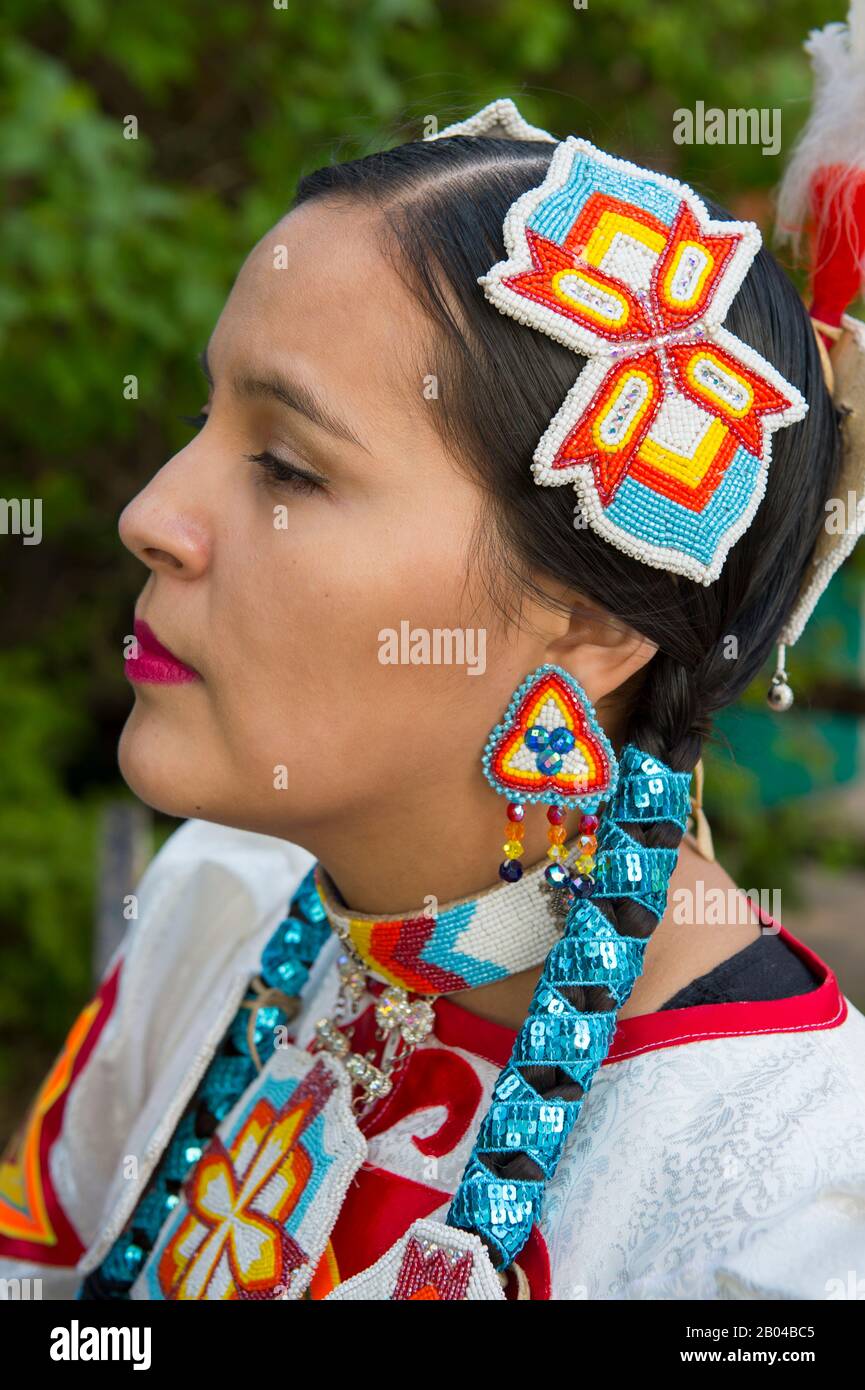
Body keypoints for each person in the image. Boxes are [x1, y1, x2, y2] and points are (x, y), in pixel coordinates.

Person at [1, 93, 864, 1303]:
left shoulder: (794, 1211)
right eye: (205, 417)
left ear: (591, 621)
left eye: (287, 467)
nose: (152, 515)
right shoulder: (220, 904)